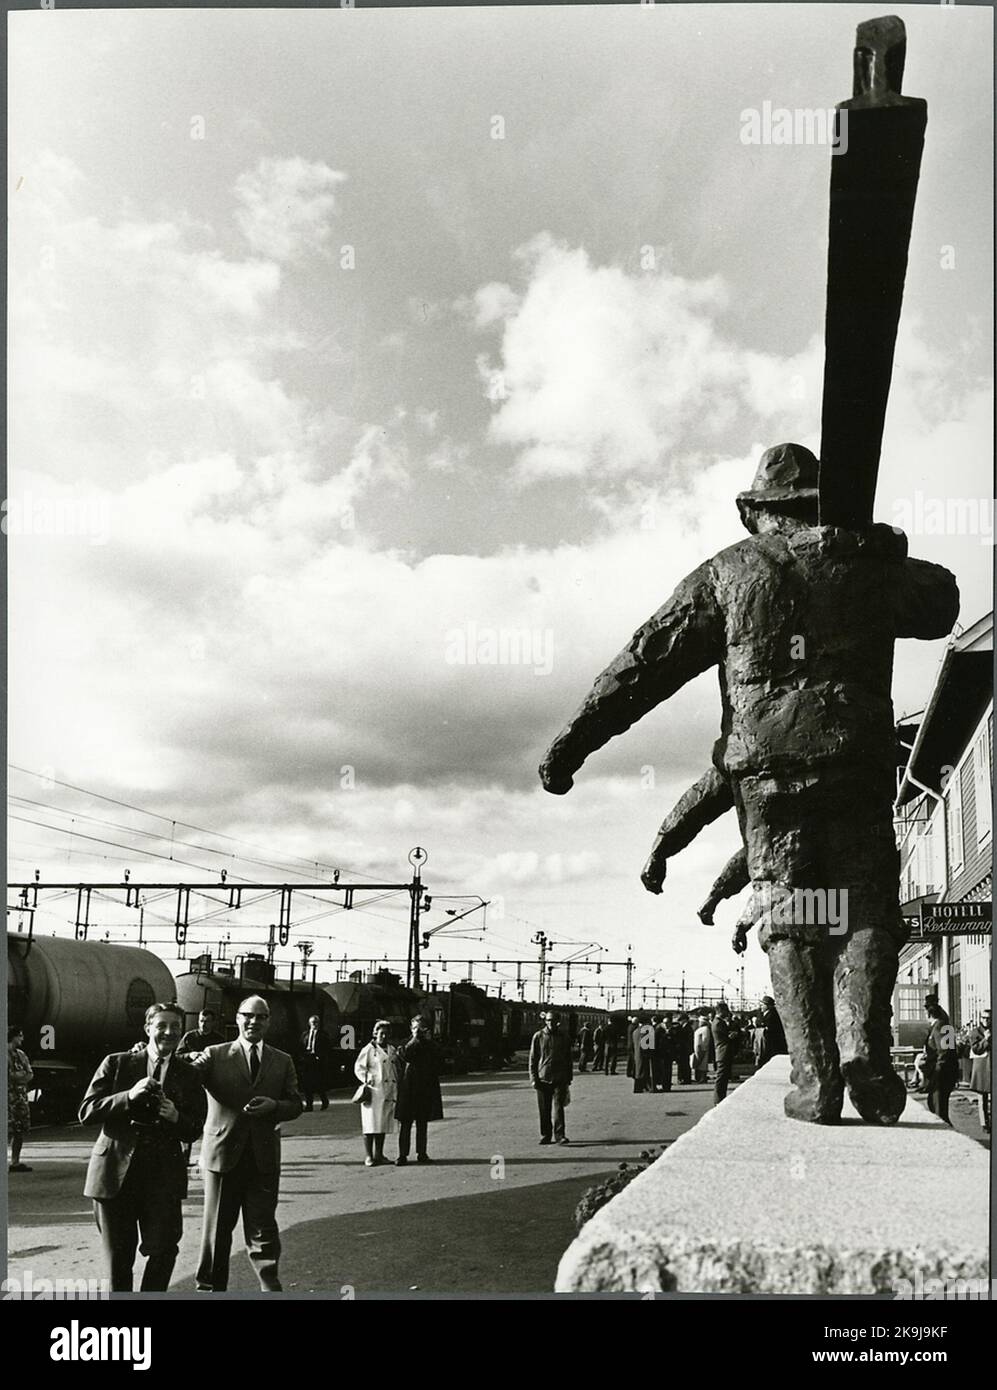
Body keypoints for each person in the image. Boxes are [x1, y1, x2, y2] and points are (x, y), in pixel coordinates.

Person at [539, 443, 959, 1127]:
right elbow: (942, 603)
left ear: (753, 512)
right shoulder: (862, 562)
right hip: (854, 757)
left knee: (792, 918)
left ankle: (815, 1077)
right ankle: (866, 1053)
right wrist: (886, 551)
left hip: (767, 774)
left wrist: (571, 746)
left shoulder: (727, 574)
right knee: (866, 909)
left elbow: (642, 664)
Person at [78, 1002, 207, 1292]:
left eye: (175, 1027)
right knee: (119, 1260)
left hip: (162, 1177)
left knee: (163, 1250)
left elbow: (195, 1127)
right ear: (148, 1028)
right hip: (115, 1176)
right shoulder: (118, 1063)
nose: (168, 1032)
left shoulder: (189, 1074)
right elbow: (87, 1111)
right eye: (161, 1025)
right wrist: (128, 1096)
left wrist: (175, 1116)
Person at [190, 995, 303, 1292]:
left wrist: (274, 1106)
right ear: (237, 1019)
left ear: (269, 1021)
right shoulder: (214, 1054)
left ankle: (270, 1288)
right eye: (248, 1016)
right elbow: (186, 1076)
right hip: (222, 1157)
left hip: (262, 1159)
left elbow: (296, 1103)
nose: (254, 1022)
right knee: (216, 1231)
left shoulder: (282, 1060)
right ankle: (210, 1289)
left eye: (261, 1017)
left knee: (263, 1230)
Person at [394, 1016, 443, 1165]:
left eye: (421, 1028)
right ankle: (402, 1155)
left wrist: (425, 1040)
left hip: (424, 1088)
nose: (418, 1031)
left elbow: (438, 1062)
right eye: (415, 1028)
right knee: (405, 1123)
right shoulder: (405, 1044)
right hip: (408, 1088)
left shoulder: (431, 1045)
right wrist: (414, 1040)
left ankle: (422, 1153)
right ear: (411, 1028)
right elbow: (404, 1056)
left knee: (422, 1123)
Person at [354, 1019, 399, 1166]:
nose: (384, 1037)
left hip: (387, 1092)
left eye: (386, 1034)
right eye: (381, 1034)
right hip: (373, 1092)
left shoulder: (392, 1050)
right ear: (375, 1034)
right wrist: (367, 1078)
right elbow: (358, 1068)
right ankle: (369, 1156)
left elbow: (395, 1068)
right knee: (370, 1124)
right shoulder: (368, 1050)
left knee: (382, 1124)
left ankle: (379, 1155)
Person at [529, 1010, 573, 1144]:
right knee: (544, 1109)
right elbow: (533, 1059)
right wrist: (533, 1079)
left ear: (558, 1022)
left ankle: (560, 1135)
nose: (551, 1023)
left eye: (553, 1021)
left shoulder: (564, 1037)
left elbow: (568, 1059)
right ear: (545, 1021)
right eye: (548, 1020)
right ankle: (546, 1135)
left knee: (559, 1107)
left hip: (560, 1077)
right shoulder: (538, 1036)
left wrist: (569, 1077)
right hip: (543, 1077)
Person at [923, 1001, 958, 1126]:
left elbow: (945, 1053)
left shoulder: (940, 1027)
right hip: (945, 1071)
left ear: (929, 1013)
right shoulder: (945, 1026)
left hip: (942, 1073)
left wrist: (937, 1072)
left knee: (938, 1110)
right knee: (935, 1105)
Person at [8, 1027, 34, 1173]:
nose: (22, 1039)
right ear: (13, 1037)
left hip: (19, 1098)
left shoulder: (21, 1055)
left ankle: (15, 1162)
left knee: (19, 1130)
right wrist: (20, 1075)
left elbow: (30, 1074)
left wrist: (16, 1075)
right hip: (8, 1097)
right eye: (20, 1036)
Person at [299, 1014, 334, 1111]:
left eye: (316, 1022)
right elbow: (301, 1046)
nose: (314, 1024)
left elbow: (327, 1048)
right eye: (312, 1022)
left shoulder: (323, 1034)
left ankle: (324, 1101)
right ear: (309, 1024)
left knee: (318, 1083)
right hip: (307, 1059)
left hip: (317, 1060)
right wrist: (302, 1057)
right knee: (306, 1084)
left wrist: (321, 1057)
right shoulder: (305, 1034)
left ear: (319, 1023)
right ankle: (309, 1105)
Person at [969, 1010, 991, 1133]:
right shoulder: (975, 1032)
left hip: (991, 1067)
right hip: (981, 1069)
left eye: (989, 1018)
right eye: (984, 1018)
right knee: (982, 1097)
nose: (986, 1020)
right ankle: (984, 1123)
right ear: (980, 1018)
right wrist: (986, 1039)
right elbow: (976, 1049)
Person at [712, 1001, 734, 1105]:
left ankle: (720, 1099)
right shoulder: (719, 1022)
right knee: (721, 1079)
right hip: (723, 1052)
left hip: (721, 1053)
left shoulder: (717, 1021)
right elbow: (724, 1037)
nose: (727, 1012)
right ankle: (718, 1100)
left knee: (722, 1078)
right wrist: (731, 1036)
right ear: (721, 1011)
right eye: (726, 1010)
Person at [692, 1013, 711, 1082]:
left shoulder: (705, 1029)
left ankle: (703, 1077)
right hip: (697, 1048)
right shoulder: (700, 1029)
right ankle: (699, 1077)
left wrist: (703, 1048)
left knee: (702, 1064)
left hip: (702, 1048)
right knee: (699, 1063)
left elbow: (705, 1040)